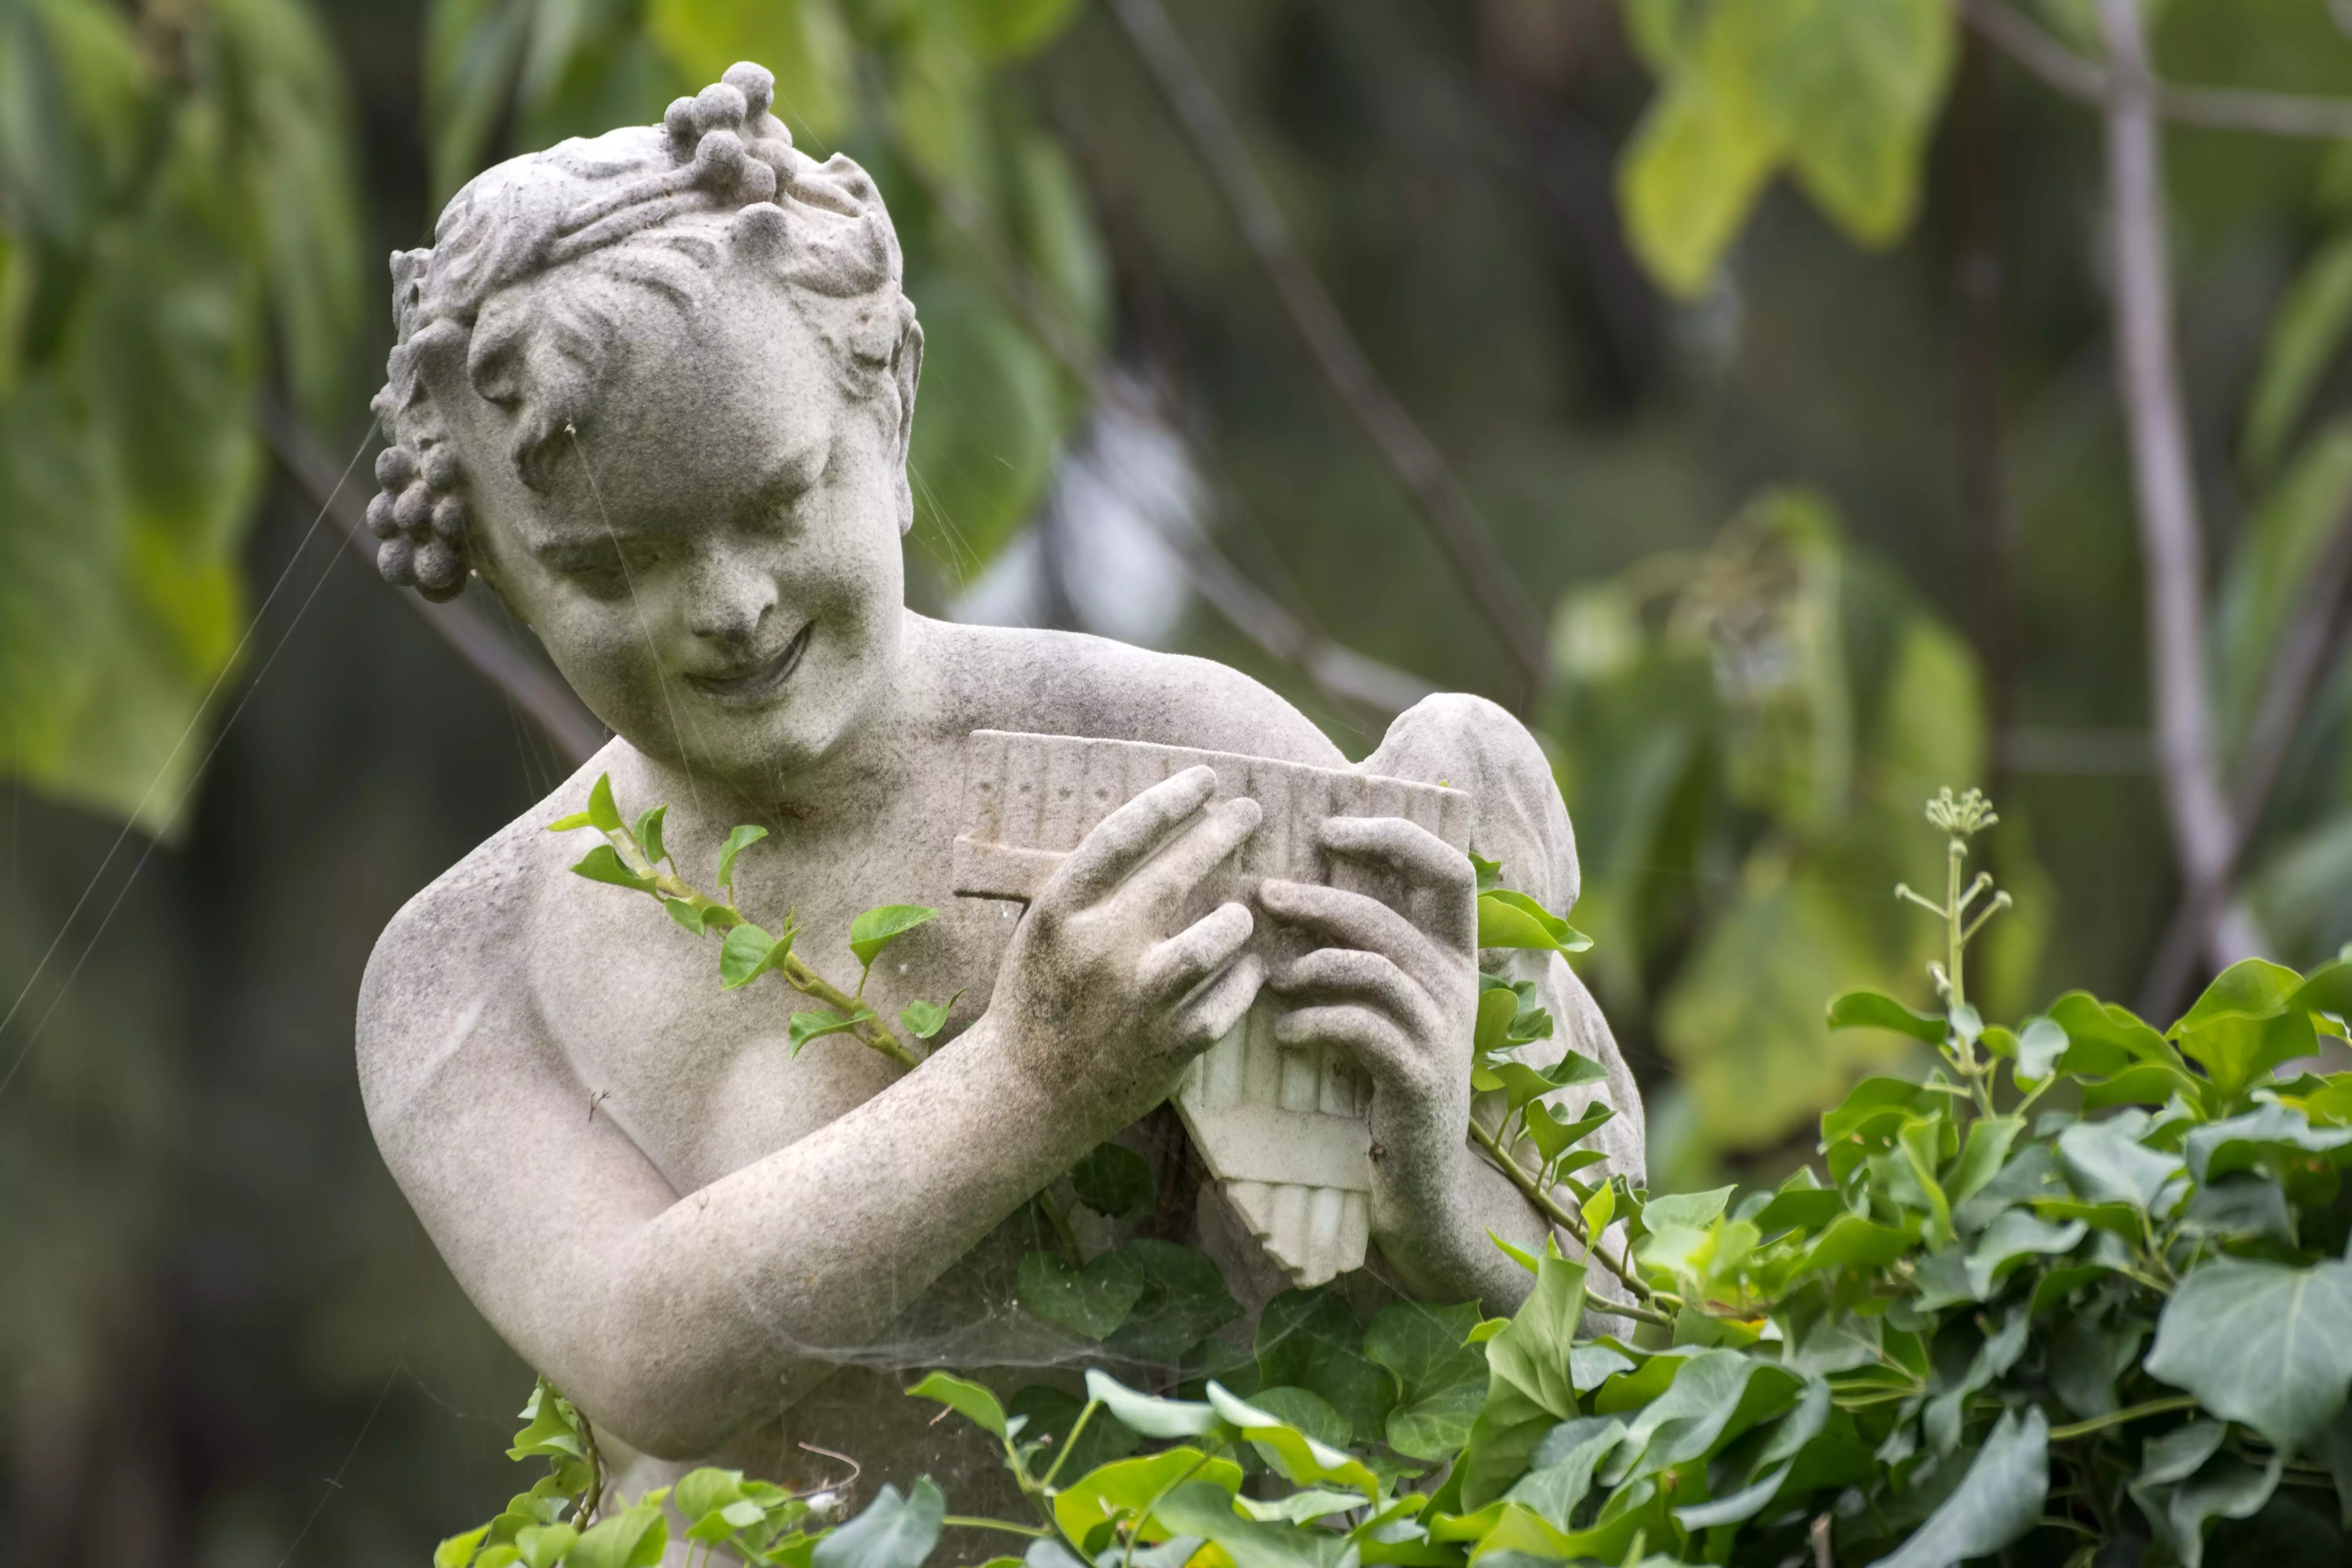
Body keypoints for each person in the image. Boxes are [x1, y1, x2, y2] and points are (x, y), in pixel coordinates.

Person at [355, 61, 1642, 1520]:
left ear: (889, 411)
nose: (726, 605)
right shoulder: (464, 977)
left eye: (778, 502)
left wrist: (1436, 1202)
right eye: (608, 567)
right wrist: (1032, 1085)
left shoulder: (1184, 754)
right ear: (501, 573)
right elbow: (648, 1356)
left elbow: (1615, 1320)